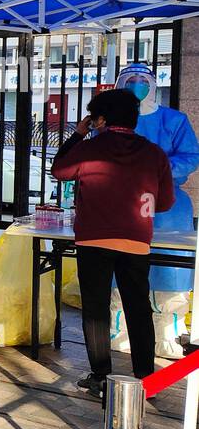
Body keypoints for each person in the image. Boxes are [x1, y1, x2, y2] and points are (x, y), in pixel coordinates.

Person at [51, 88, 174, 399]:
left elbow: (59, 170)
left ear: (100, 119)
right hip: (136, 240)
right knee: (138, 306)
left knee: (96, 308)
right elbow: (165, 202)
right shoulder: (154, 153)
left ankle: (100, 376)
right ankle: (146, 376)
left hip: (94, 238)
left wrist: (78, 135)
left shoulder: (90, 148)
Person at [113, 62, 199, 358]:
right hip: (122, 207)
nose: (136, 85)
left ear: (153, 84)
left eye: (142, 80)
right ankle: (120, 334)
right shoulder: (110, 124)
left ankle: (168, 334)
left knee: (169, 272)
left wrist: (158, 170)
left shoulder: (174, 120)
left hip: (168, 209)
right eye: (129, 80)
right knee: (121, 273)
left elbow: (190, 156)